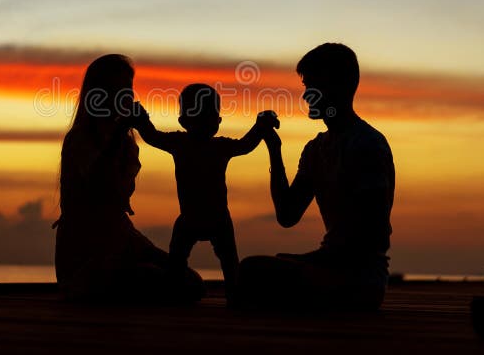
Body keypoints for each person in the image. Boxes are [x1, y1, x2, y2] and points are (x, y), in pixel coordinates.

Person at [237, 43, 395, 311]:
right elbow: (287, 214)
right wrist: (274, 150)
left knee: (253, 272)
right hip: (326, 268)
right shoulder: (316, 149)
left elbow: (369, 235)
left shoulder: (367, 145)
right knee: (251, 272)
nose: (307, 96)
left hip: (360, 279)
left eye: (313, 86)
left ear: (341, 85)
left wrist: (314, 259)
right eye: (305, 87)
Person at [54, 54, 204, 303]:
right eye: (120, 88)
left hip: (121, 238)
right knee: (157, 279)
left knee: (190, 282)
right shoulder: (80, 139)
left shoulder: (126, 143)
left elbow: (119, 195)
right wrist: (121, 131)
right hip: (85, 255)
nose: (127, 96)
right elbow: (99, 183)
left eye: (129, 89)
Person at [133, 84, 279, 302]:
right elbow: (152, 136)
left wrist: (260, 126)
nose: (206, 120)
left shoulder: (211, 146)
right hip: (194, 217)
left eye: (210, 115)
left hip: (216, 217)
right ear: (184, 121)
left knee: (228, 263)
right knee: (181, 260)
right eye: (199, 115)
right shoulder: (183, 143)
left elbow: (246, 145)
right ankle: (180, 292)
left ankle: (232, 294)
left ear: (219, 121)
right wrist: (141, 119)